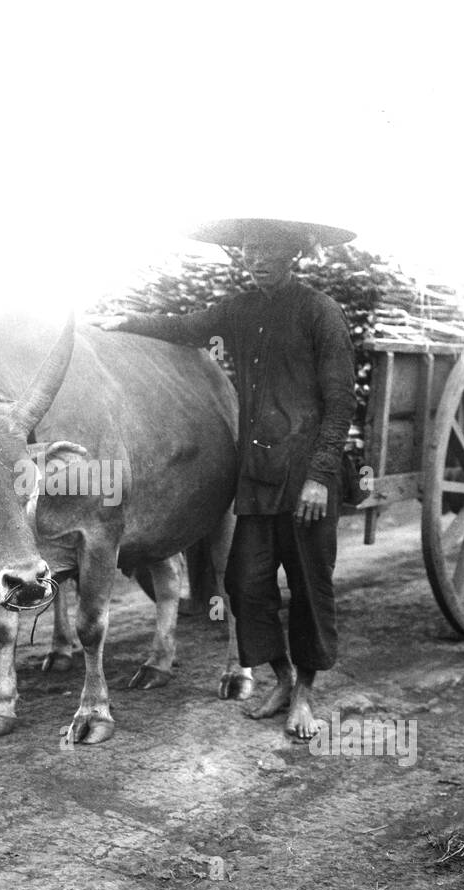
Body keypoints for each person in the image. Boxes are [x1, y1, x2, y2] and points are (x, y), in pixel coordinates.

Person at [88, 222, 355, 745]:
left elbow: (341, 398)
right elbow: (186, 326)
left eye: (270, 250)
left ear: (294, 255)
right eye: (251, 250)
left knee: (308, 586)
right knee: (244, 585)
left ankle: (304, 693)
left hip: (306, 478)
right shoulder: (240, 310)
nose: (257, 259)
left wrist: (321, 475)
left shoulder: (320, 311)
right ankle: (279, 679)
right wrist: (121, 324)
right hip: (255, 479)